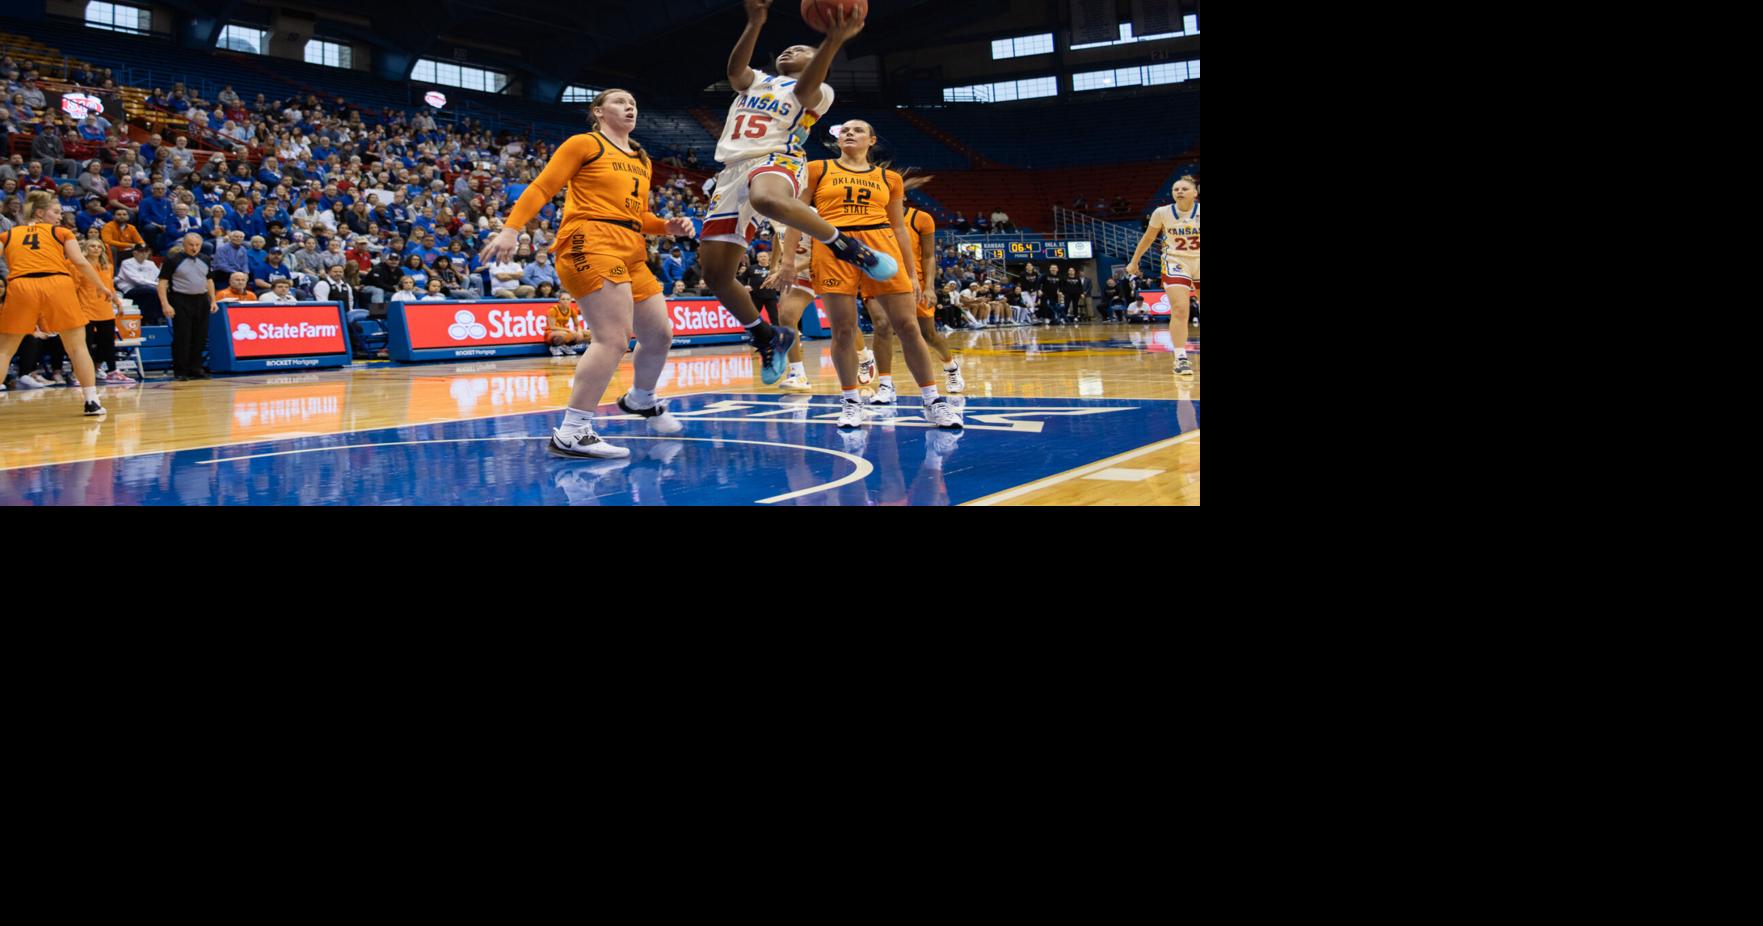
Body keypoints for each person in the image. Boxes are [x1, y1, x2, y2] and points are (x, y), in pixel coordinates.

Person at [481, 88, 695, 459]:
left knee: (659, 335)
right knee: (612, 339)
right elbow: (544, 186)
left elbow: (637, 216)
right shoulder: (584, 143)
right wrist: (511, 229)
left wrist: (666, 227)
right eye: (620, 101)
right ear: (598, 111)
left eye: (633, 102)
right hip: (589, 239)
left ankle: (641, 399)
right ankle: (573, 430)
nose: (630, 106)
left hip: (630, 245)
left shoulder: (641, 158)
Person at [698, 0, 887, 386]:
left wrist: (832, 42)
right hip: (730, 172)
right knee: (716, 275)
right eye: (786, 49)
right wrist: (754, 22)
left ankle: (847, 246)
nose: (790, 50)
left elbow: (805, 87)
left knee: (767, 198)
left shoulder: (822, 90)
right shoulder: (757, 81)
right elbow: (734, 72)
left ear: (818, 60)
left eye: (802, 49)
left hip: (777, 157)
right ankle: (766, 336)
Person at [775, 120, 958, 429]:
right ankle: (850, 401)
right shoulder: (818, 168)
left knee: (907, 326)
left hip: (880, 246)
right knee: (843, 330)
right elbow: (797, 214)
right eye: (845, 129)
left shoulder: (889, 179)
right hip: (833, 245)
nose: (849, 132)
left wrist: (912, 274)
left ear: (871, 140)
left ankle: (933, 400)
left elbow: (899, 227)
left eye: (858, 130)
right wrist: (788, 261)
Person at [0, 190, 120, 415]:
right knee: (77, 347)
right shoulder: (61, 232)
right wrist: (102, 287)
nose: (60, 216)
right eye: (55, 212)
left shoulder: (8, 235)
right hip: (57, 284)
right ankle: (91, 401)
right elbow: (81, 263)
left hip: (20, 286)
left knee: (4, 351)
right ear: (40, 212)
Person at [860, 196, 963, 394]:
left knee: (927, 334)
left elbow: (928, 256)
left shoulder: (921, 218)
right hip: (878, 278)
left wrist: (930, 287)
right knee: (882, 326)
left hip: (913, 280)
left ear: (902, 195)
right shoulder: (869, 217)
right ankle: (885, 385)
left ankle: (951, 366)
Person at [1128, 175, 1199, 377]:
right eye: (1176, 189)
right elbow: (1148, 238)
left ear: (1195, 193)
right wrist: (1134, 261)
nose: (1179, 191)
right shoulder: (1162, 212)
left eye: (1184, 188)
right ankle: (1180, 357)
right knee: (1180, 309)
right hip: (1176, 262)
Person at [156, 232, 220, 380]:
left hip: (201, 300)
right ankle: (181, 371)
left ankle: (196, 368)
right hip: (180, 299)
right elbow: (162, 283)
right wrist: (165, 304)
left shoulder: (205, 259)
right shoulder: (173, 260)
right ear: (184, 245)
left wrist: (213, 300)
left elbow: (209, 281)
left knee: (200, 337)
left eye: (197, 245)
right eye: (191, 244)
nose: (194, 247)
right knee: (182, 336)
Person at [76, 239, 132, 384]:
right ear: (85, 248)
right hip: (85, 308)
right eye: (92, 246)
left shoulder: (108, 266)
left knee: (107, 342)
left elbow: (110, 287)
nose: (96, 249)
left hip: (105, 308)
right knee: (86, 343)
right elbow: (74, 288)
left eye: (98, 247)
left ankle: (110, 370)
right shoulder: (77, 266)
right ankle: (79, 373)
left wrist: (118, 303)